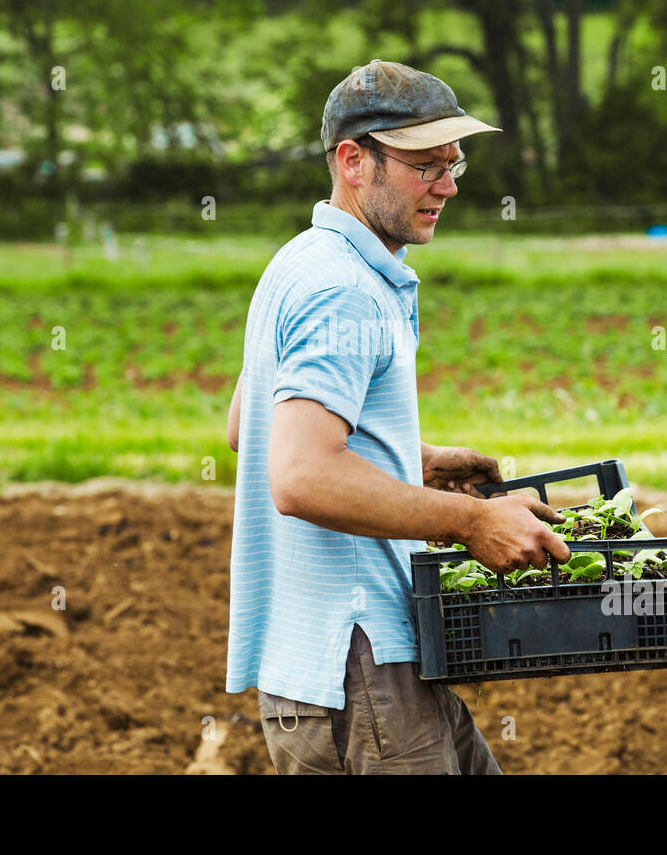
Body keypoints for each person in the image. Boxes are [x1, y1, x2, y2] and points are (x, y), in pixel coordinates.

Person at [224, 59, 570, 774]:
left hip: (374, 659)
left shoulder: (300, 262)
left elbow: (250, 427)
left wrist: (413, 457)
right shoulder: (340, 288)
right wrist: (473, 522)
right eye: (423, 165)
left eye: (453, 163)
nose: (446, 186)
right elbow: (299, 476)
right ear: (354, 161)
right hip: (358, 672)